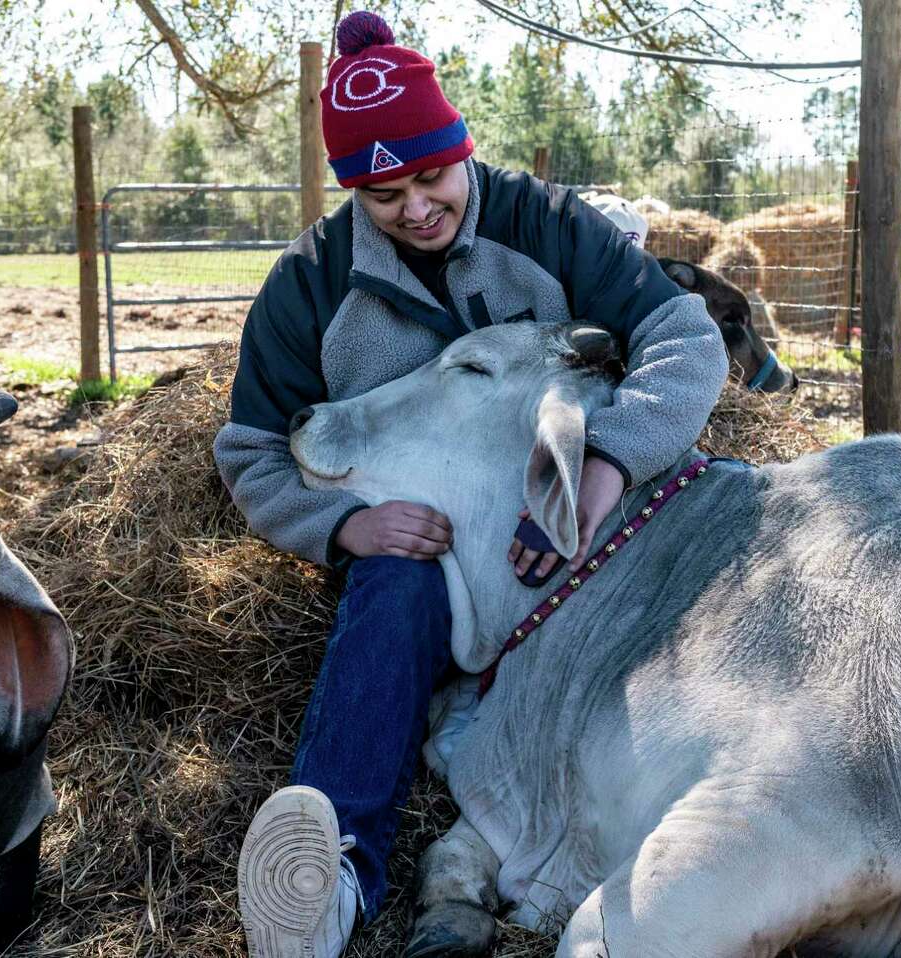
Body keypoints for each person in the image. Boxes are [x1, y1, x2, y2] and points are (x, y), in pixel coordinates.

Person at [213, 11, 727, 957]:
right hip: (427, 539)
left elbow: (687, 340)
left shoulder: (547, 223)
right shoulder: (312, 283)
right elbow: (248, 449)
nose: (415, 206)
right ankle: (332, 877)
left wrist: (611, 459)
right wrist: (341, 528)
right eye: (381, 192)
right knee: (394, 593)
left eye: (432, 176)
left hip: (574, 511)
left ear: (464, 150)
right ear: (351, 194)